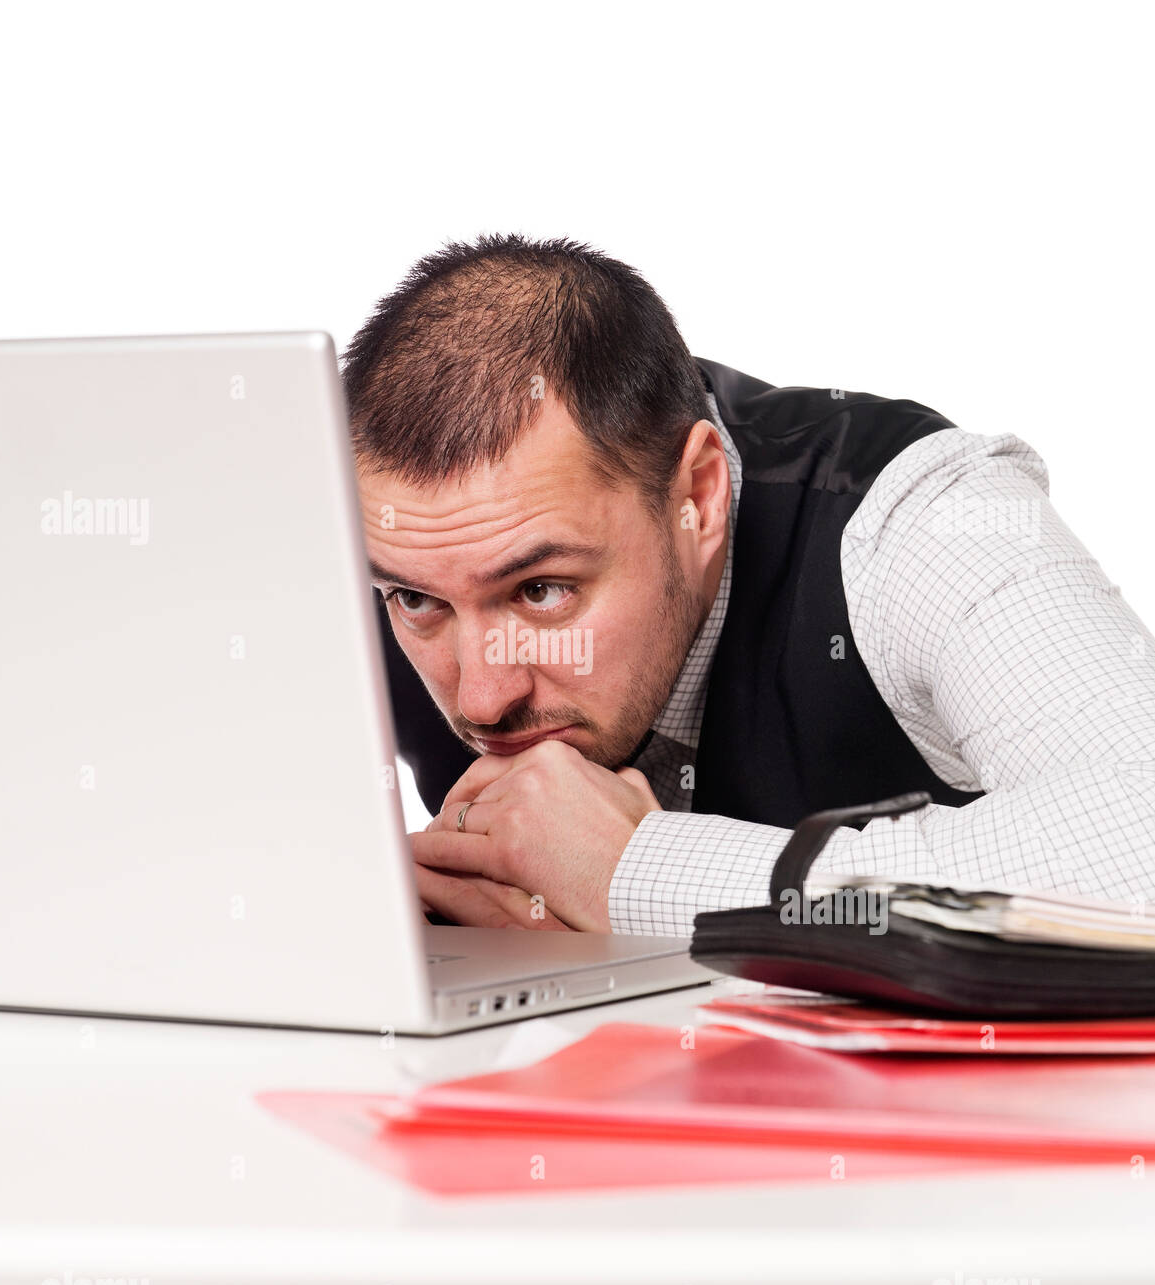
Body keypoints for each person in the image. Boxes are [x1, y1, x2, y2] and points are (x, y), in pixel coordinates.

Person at [345, 234, 1155, 935]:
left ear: (697, 497)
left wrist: (635, 875)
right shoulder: (378, 551)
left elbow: (1142, 847)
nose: (483, 699)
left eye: (541, 591)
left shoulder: (916, 517)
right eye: (418, 602)